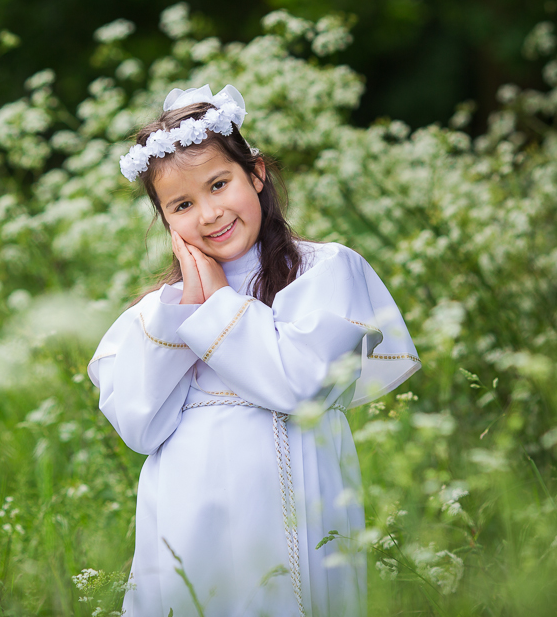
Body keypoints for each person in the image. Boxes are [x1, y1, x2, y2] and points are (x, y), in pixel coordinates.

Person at [86, 84, 421, 617]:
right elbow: (139, 426)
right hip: (189, 519)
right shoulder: (160, 313)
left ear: (257, 173)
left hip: (293, 508)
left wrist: (218, 306)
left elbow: (299, 385)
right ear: (166, 221)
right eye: (183, 205)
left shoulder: (323, 272)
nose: (210, 213)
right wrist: (184, 316)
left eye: (220, 184)